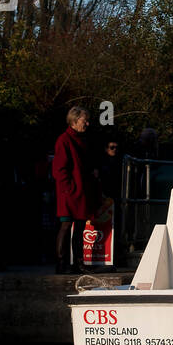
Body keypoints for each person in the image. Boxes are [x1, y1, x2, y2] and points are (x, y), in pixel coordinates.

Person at [53, 106, 99, 274]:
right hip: (69, 192)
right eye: (83, 120)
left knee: (80, 227)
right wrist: (69, 188)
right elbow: (59, 169)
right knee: (65, 225)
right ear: (73, 121)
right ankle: (60, 262)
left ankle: (79, 263)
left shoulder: (83, 140)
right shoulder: (64, 140)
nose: (87, 123)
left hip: (80, 191)